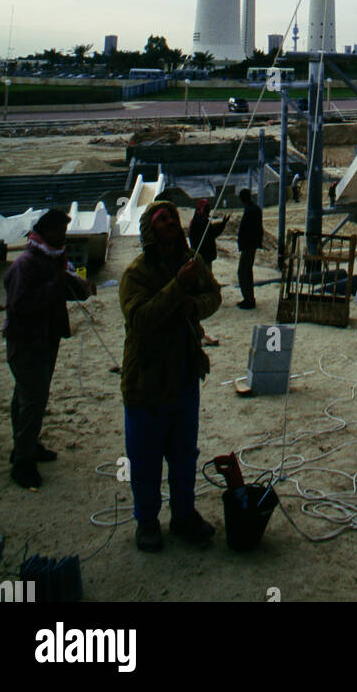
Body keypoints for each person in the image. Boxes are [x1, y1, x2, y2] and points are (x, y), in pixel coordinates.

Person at [119, 199, 221, 551]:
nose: (170, 224)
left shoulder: (193, 263)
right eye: (161, 219)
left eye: (173, 218)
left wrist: (196, 305)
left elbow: (214, 295)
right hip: (146, 379)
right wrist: (177, 287)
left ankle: (184, 515)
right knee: (145, 458)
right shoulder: (135, 274)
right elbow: (140, 320)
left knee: (183, 454)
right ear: (151, 229)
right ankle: (146, 521)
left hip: (184, 373)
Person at [3, 208, 95, 489]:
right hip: (27, 342)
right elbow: (20, 305)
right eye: (59, 232)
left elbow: (68, 292)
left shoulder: (53, 259)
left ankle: (28, 444)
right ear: (44, 232)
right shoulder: (27, 262)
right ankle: (22, 463)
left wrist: (80, 287)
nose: (63, 237)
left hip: (46, 340)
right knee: (32, 400)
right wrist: (54, 285)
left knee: (26, 396)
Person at [236, 187, 263, 310]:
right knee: (247, 271)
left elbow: (247, 230)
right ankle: (249, 298)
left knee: (243, 272)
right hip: (252, 244)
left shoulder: (249, 211)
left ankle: (248, 299)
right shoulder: (256, 209)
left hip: (248, 245)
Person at [187, 197, 227, 269]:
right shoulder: (199, 222)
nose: (208, 210)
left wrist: (222, 224)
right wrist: (222, 225)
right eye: (207, 208)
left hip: (203, 256)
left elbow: (211, 231)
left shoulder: (201, 219)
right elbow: (211, 232)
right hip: (202, 256)